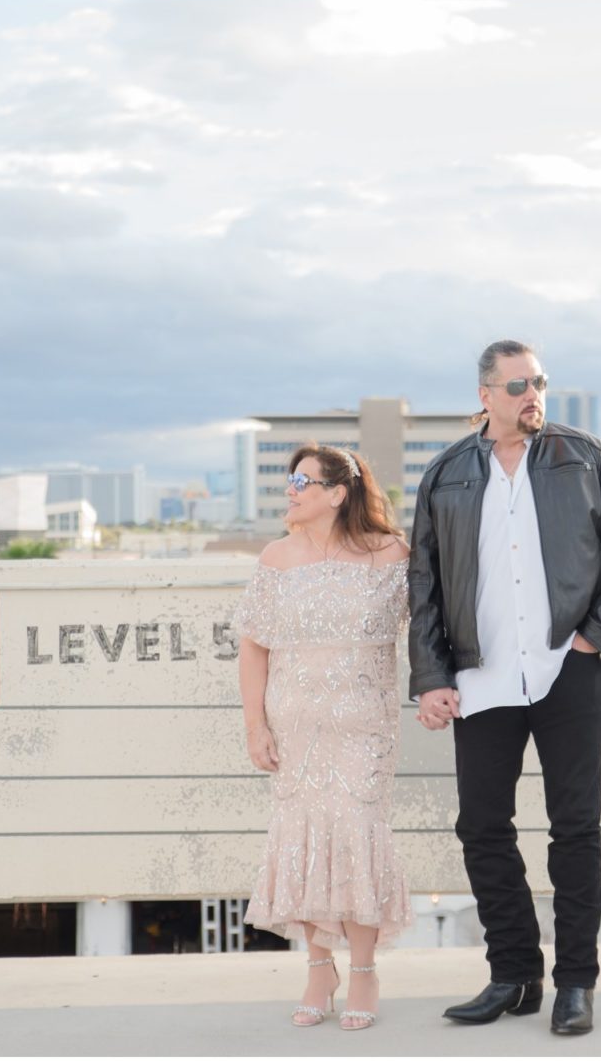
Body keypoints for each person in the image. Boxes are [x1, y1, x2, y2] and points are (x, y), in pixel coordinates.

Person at [409, 340, 601, 1036]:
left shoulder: (583, 456)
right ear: (485, 395)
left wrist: (592, 642)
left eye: (538, 382)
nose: (531, 395)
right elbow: (422, 583)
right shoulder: (447, 473)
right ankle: (513, 974)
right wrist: (430, 677)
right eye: (517, 385)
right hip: (480, 676)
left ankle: (577, 982)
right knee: (482, 827)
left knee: (576, 829)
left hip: (564, 669)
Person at [233, 442, 413, 1031]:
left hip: (365, 725)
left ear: (337, 493)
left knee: (358, 835)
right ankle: (318, 967)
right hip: (296, 724)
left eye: (302, 480)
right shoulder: (275, 557)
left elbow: (432, 625)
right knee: (300, 840)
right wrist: (256, 726)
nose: (290, 488)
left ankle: (363, 971)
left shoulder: (390, 555)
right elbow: (254, 648)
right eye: (290, 479)